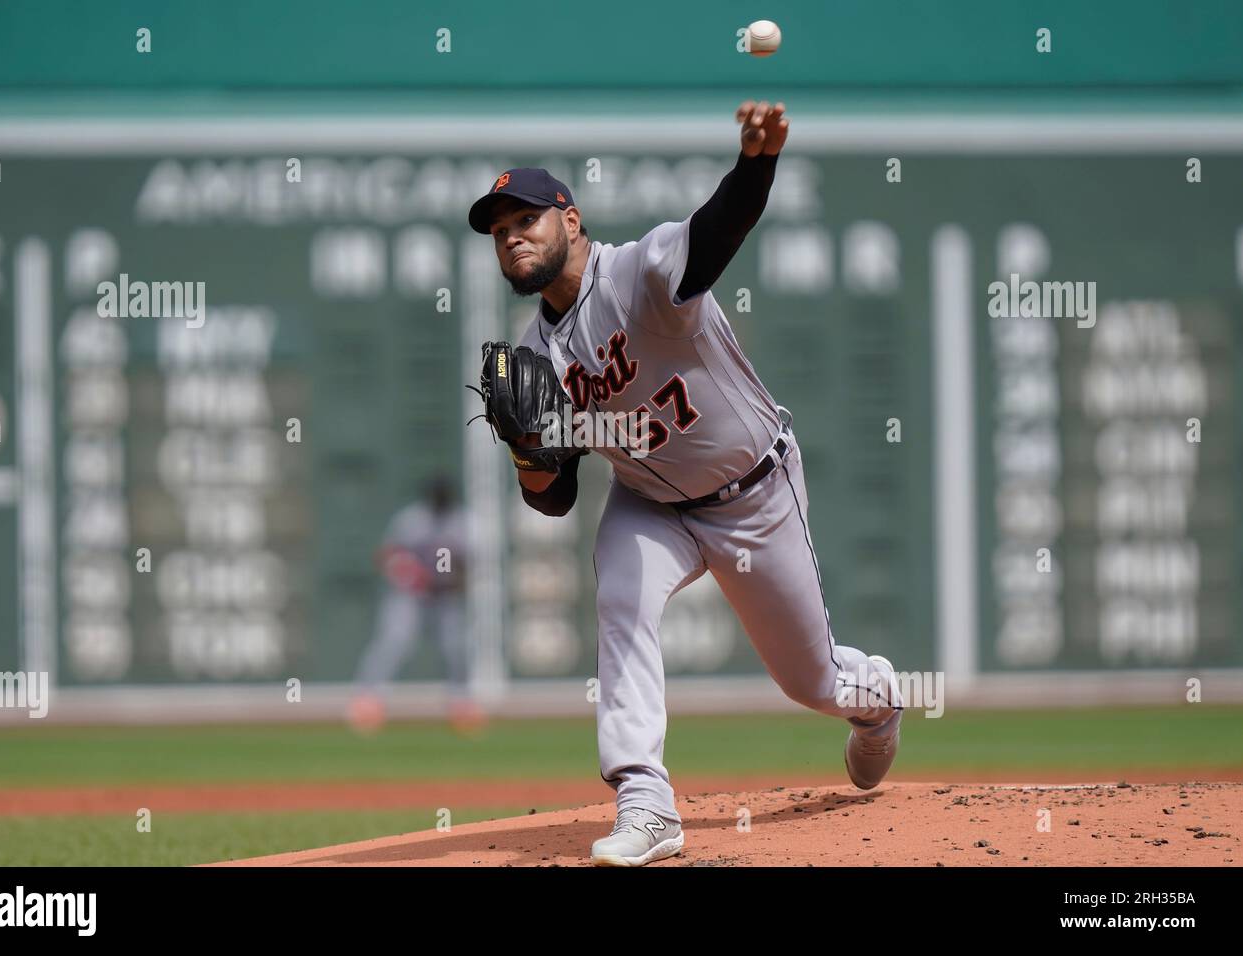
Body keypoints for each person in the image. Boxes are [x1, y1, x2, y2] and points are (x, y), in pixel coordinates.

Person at [466, 100, 904, 866]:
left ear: (571, 221)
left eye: (525, 219)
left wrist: (757, 163)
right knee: (621, 598)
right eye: (499, 231)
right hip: (651, 505)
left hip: (754, 493)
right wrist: (526, 451)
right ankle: (646, 802)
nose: (511, 237)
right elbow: (556, 498)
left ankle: (877, 701)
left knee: (811, 680)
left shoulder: (641, 270)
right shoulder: (537, 356)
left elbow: (720, 229)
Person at [348, 476, 486, 736]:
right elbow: (387, 555)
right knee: (393, 643)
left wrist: (448, 581)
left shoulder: (464, 522)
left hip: (446, 596)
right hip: (409, 597)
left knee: (456, 648)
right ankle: (367, 702)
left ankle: (462, 704)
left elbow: (473, 567)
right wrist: (409, 575)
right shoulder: (412, 519)